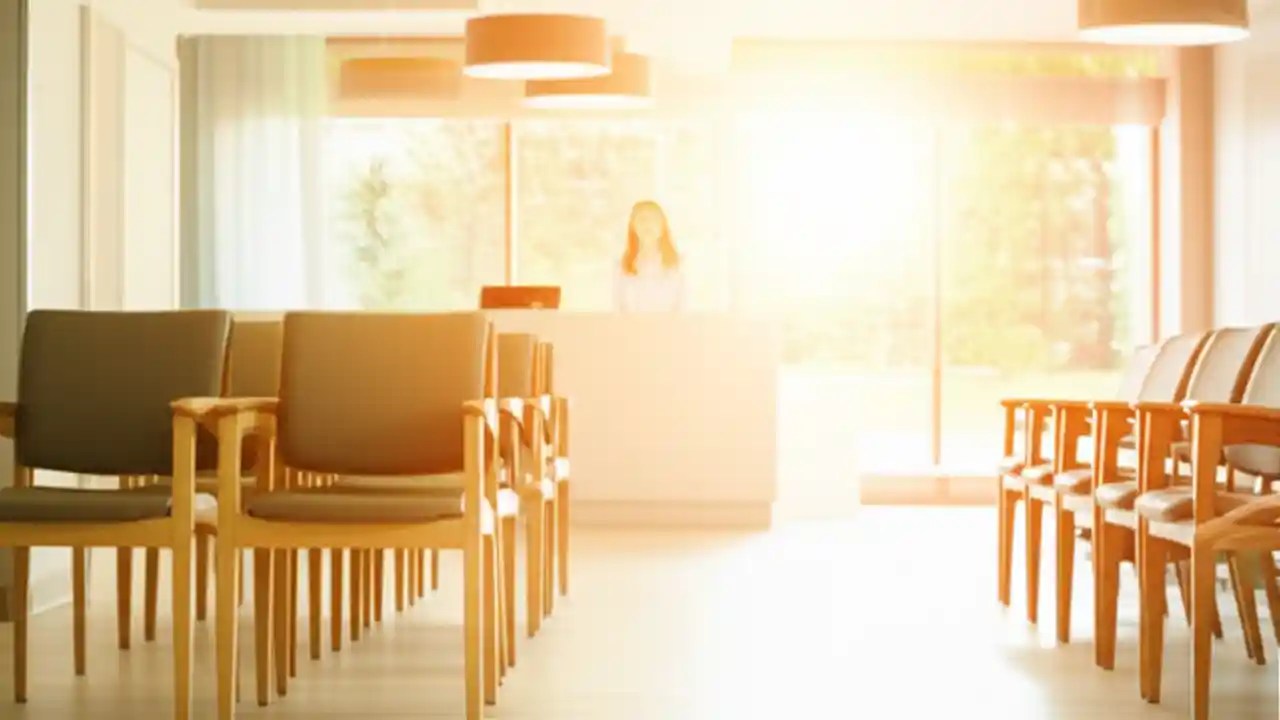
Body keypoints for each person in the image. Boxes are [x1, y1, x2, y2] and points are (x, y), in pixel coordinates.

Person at [614, 200, 685, 313]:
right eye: (642, 219)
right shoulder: (621, 267)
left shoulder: (679, 265)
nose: (648, 225)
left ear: (663, 226)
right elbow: (617, 310)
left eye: (654, 220)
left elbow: (683, 309)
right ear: (633, 226)